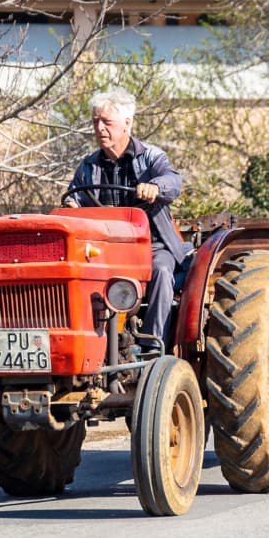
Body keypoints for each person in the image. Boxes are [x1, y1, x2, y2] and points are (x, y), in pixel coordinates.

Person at [64, 88, 185, 352]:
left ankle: (152, 345)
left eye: (106, 122)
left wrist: (156, 187)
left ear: (127, 123)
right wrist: (71, 204)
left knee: (163, 271)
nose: (99, 128)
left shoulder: (151, 157)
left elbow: (173, 181)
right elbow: (74, 197)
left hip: (153, 246)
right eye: (95, 121)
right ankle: (86, 343)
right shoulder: (89, 166)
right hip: (106, 250)